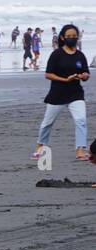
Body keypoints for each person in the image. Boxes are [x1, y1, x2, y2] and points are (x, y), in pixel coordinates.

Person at [32, 24, 89, 162]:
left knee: (81, 120)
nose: (72, 39)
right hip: (57, 94)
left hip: (76, 94)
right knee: (47, 123)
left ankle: (80, 149)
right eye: (69, 36)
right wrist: (64, 79)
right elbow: (48, 74)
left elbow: (86, 73)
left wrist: (83, 76)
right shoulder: (56, 54)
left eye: (74, 36)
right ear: (63, 37)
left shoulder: (80, 55)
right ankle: (40, 146)